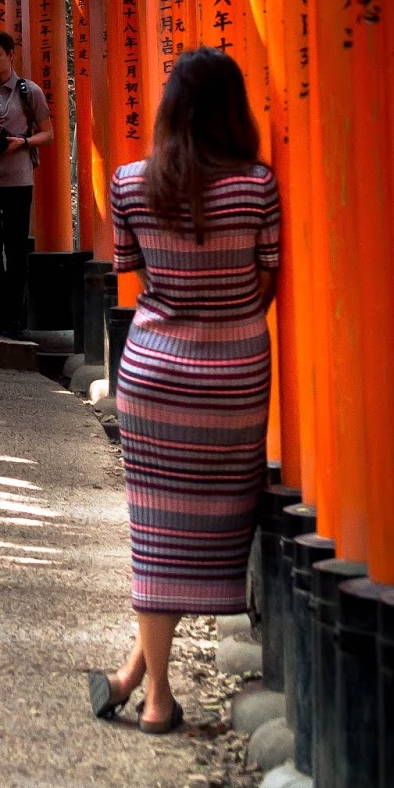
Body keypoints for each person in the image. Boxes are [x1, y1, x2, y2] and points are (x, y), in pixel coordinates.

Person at [86, 48, 280, 735]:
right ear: (234, 110)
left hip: (153, 373)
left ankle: (148, 687)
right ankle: (142, 685)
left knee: (157, 531)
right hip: (233, 375)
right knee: (209, 527)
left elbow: (129, 276)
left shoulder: (131, 183)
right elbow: (265, 280)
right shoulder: (257, 185)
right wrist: (226, 317)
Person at [0, 30, 53, 338]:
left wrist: (22, 142)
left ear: (10, 56)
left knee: (16, 250)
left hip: (18, 180)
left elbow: (49, 134)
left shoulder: (28, 91)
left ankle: (14, 317)